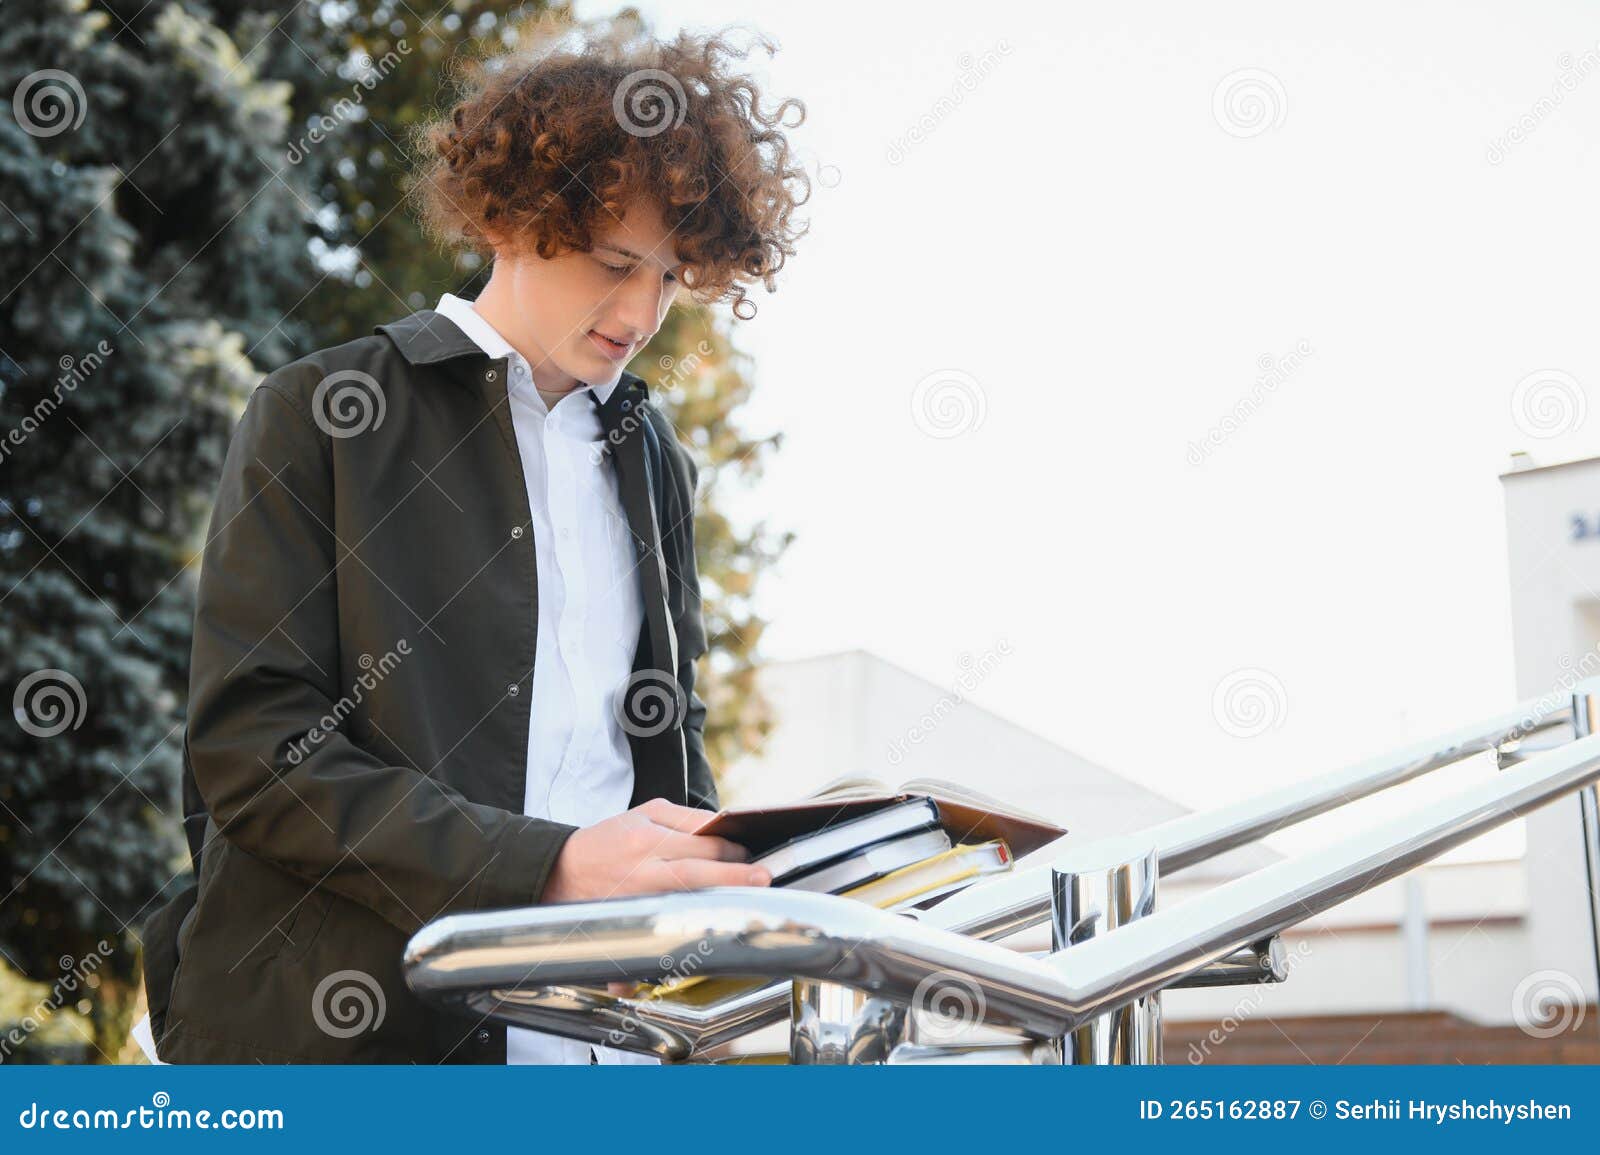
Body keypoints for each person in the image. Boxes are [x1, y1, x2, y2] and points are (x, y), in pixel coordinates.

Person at [137, 18, 809, 1064]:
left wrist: (721, 869)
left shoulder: (651, 455)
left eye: (672, 278)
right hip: (341, 1048)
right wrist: (543, 866)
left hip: (596, 1044)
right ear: (508, 219)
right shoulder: (320, 408)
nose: (641, 312)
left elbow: (662, 749)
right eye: (612, 261)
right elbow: (253, 750)